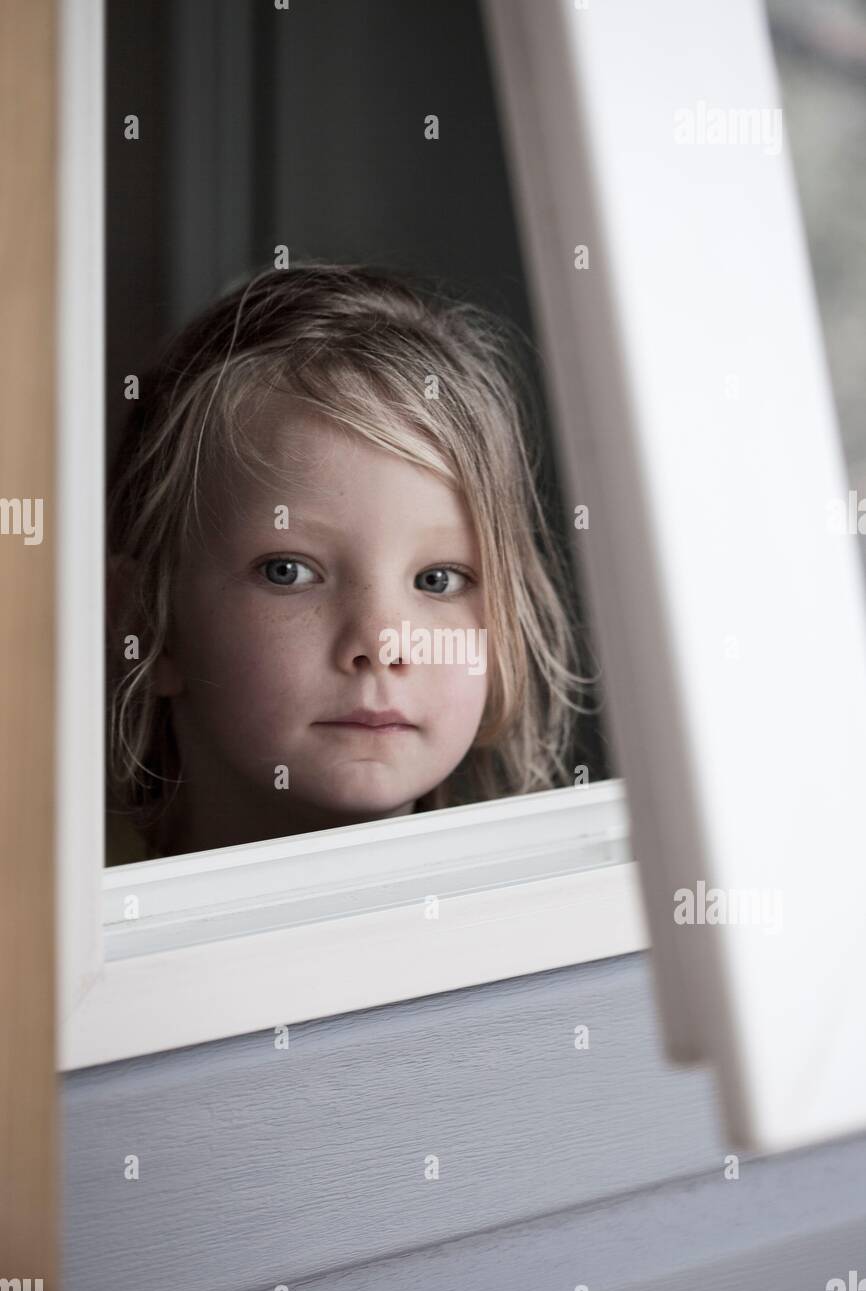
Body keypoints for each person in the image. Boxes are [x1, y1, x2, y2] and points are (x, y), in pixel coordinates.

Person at [106, 261, 598, 860]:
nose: (382, 644)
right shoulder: (52, 924)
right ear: (146, 623)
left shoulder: (550, 922)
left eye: (438, 580)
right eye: (288, 571)